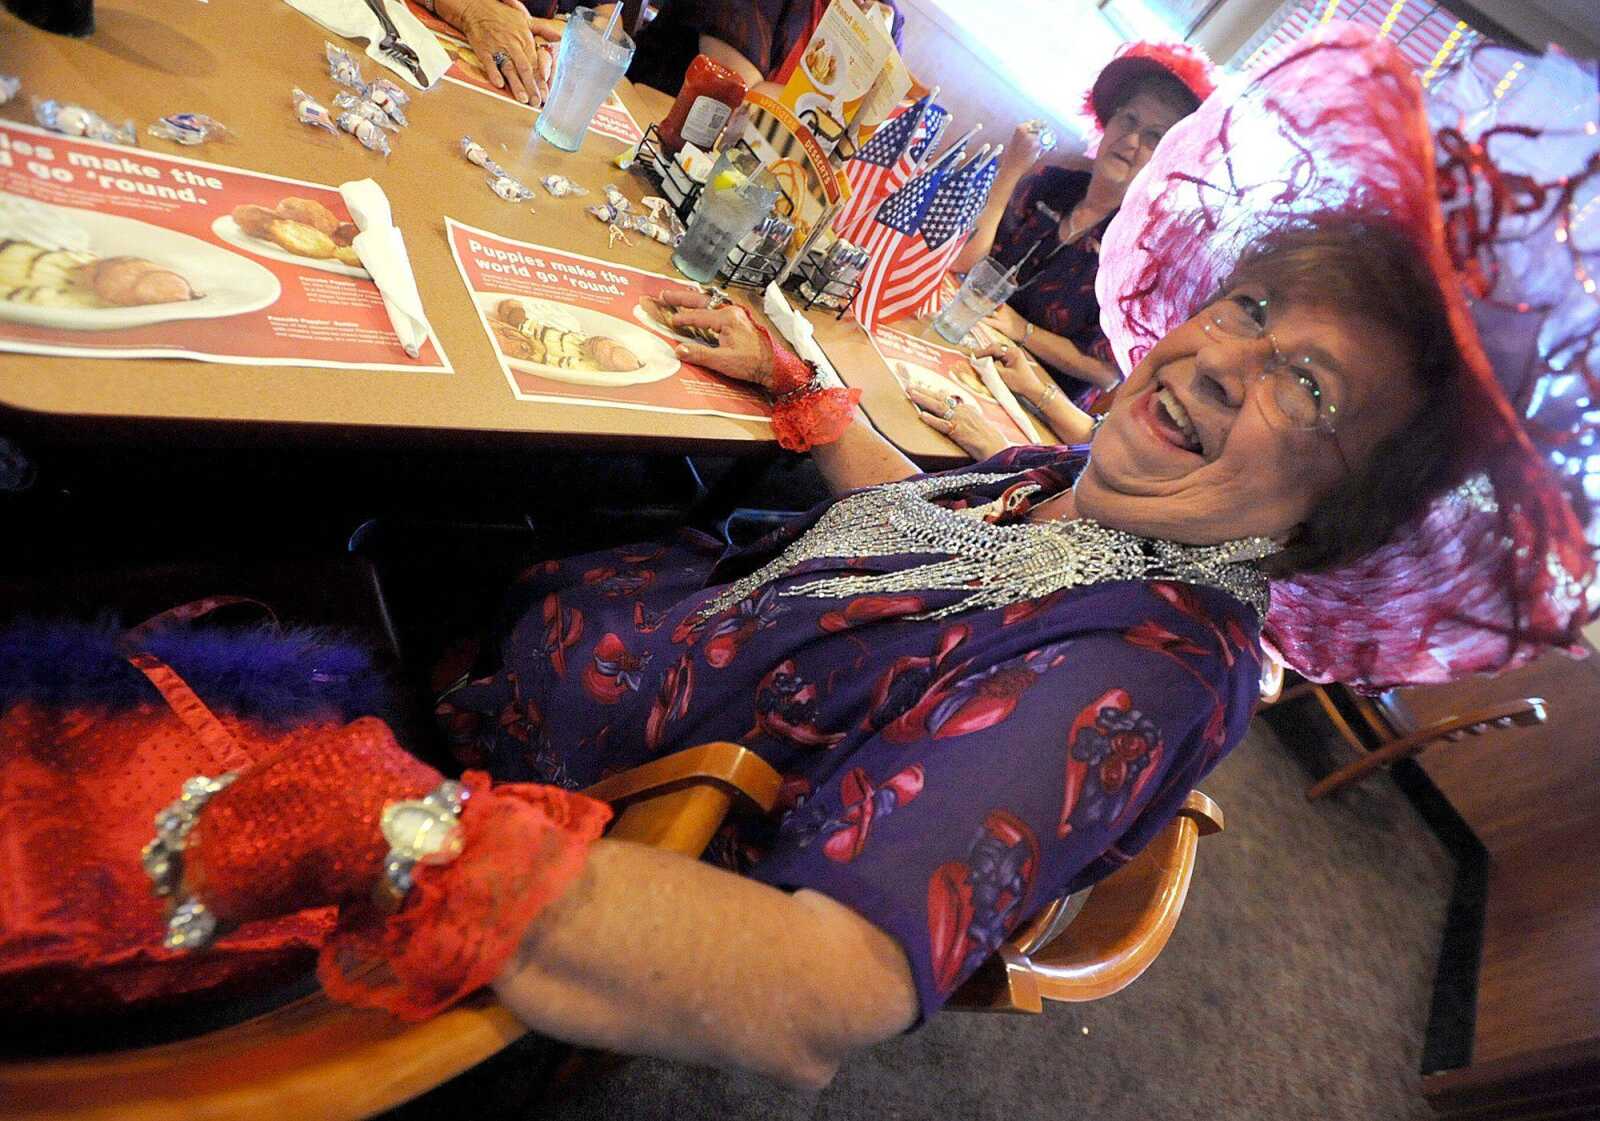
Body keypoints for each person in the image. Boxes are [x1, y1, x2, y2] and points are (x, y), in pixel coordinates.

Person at [115, 26, 1600, 1090]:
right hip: (582, 627)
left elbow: (820, 989)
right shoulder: (1089, 477)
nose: (1231, 358)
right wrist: (809, 392)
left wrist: (394, 832)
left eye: (1314, 389)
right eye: (1258, 305)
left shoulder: (1144, 668)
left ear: (1344, 512)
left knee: (216, 529)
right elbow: (922, 513)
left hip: (496, 782)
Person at [950, 43, 1217, 416]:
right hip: (965, 348)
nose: (1132, 140)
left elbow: (1107, 372)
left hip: (1030, 406)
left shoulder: (1145, 259)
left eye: (1155, 136)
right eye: (1129, 120)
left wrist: (1021, 330)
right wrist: (1009, 171)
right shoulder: (1053, 183)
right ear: (1108, 122)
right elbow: (964, 263)